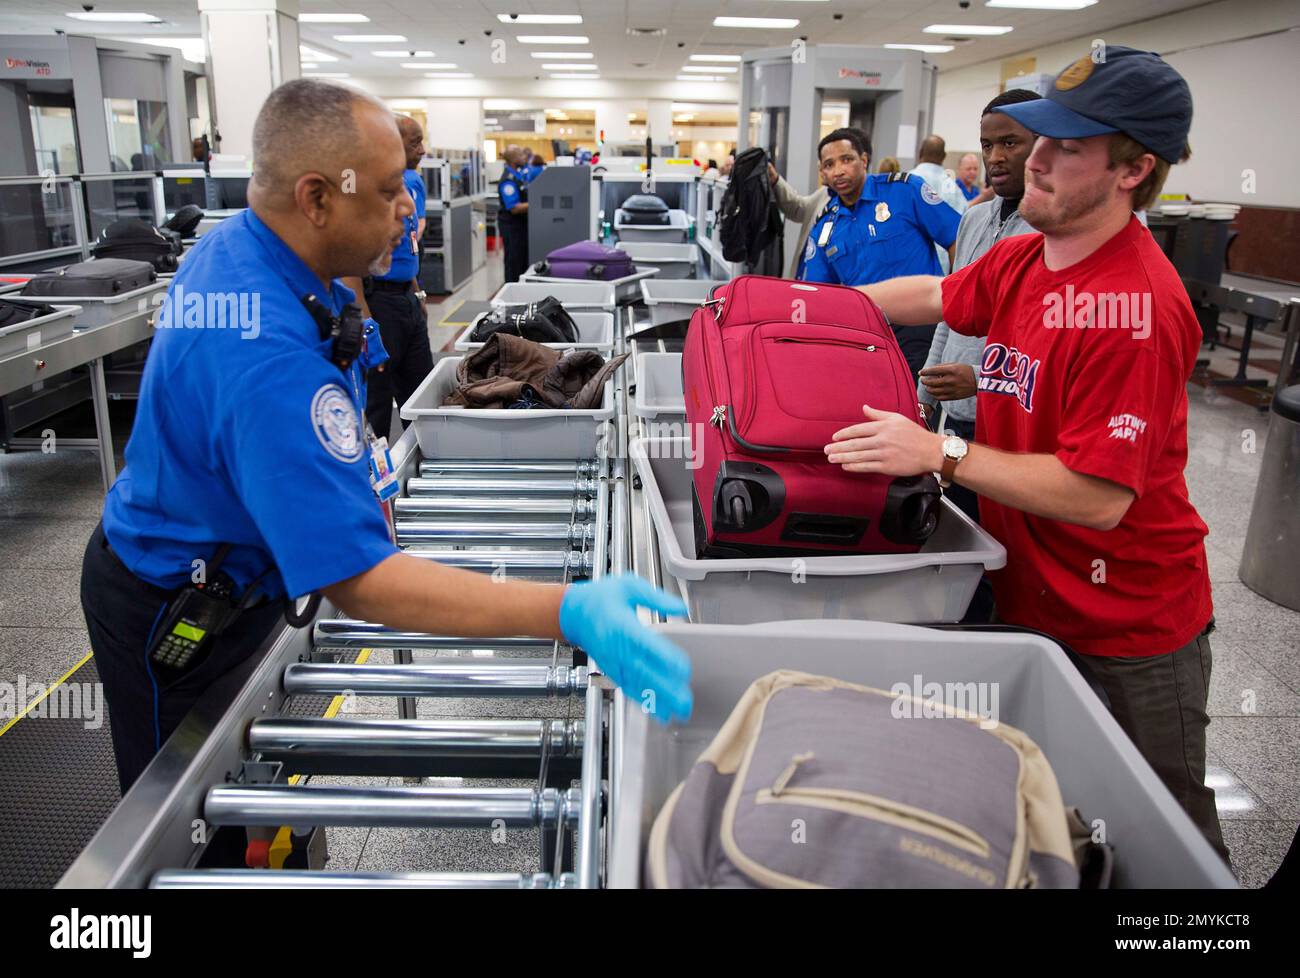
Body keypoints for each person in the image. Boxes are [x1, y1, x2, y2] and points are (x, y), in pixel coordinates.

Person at [81, 79, 692, 795]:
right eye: (387, 189)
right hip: (177, 609)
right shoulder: (264, 360)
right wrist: (566, 610)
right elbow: (361, 578)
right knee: (187, 809)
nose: (409, 208)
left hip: (244, 568)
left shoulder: (261, 253)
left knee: (265, 791)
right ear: (316, 199)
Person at [829, 48, 1226, 859]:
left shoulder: (1135, 310)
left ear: (1133, 170)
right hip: (1029, 596)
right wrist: (809, 305)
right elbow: (940, 293)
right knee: (1053, 813)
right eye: (1037, 137)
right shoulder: (1031, 249)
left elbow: (1097, 495)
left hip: (1127, 629)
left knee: (1163, 836)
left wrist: (937, 450)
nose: (1035, 159)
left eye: (1067, 146)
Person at [917, 89, 1042, 526]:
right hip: (959, 423)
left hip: (1013, 429)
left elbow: (1047, 347)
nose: (996, 157)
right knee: (958, 537)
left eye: (1011, 143)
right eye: (988, 145)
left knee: (1002, 548)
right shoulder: (973, 219)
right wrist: (925, 400)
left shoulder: (1049, 233)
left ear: (1043, 145)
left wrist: (983, 381)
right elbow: (950, 315)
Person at [793, 127, 961, 379]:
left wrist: (957, 300)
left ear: (864, 160)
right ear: (822, 173)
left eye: (846, 160)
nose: (838, 170)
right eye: (829, 164)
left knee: (917, 407)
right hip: (866, 333)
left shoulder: (905, 190)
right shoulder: (824, 228)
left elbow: (956, 238)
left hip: (921, 324)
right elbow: (817, 294)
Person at [343, 115, 432, 439]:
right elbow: (348, 262)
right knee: (378, 400)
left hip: (405, 301)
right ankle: (375, 483)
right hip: (376, 303)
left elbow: (406, 249)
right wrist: (366, 323)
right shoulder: (359, 187)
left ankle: (424, 468)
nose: (422, 150)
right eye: (414, 142)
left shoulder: (402, 185)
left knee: (422, 393)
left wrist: (417, 293)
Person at [497, 145, 532, 283]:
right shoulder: (508, 180)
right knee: (514, 262)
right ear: (514, 159)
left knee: (522, 261)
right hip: (512, 228)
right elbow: (514, 208)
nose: (524, 157)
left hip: (521, 226)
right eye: (521, 155)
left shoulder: (518, 175)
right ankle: (511, 293)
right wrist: (537, 204)